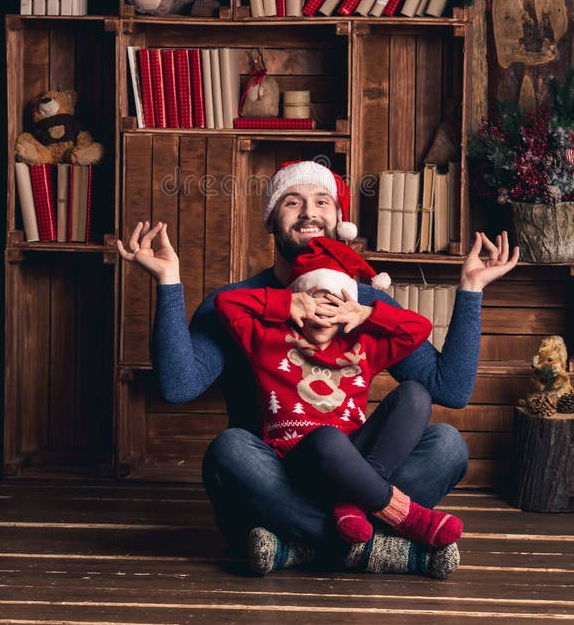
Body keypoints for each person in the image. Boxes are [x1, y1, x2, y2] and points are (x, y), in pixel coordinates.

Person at [117, 159, 519, 578]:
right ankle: (379, 546)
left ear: (338, 220)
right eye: (293, 201)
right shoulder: (240, 304)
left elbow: (448, 389)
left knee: (448, 444)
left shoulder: (363, 304)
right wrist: (168, 281)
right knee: (230, 449)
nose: (309, 212)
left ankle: (301, 547)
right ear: (271, 219)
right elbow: (178, 386)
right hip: (276, 478)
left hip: (352, 470)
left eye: (322, 201)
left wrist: (470, 290)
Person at [214, 235, 463, 552]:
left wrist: (368, 314)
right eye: (315, 298)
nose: (324, 310)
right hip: (295, 464)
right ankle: (400, 515)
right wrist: (283, 303)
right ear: (298, 299)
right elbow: (225, 304)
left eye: (334, 301)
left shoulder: (363, 343)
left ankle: (351, 507)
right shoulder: (266, 337)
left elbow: (418, 329)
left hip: (354, 459)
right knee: (322, 438)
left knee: (416, 396)